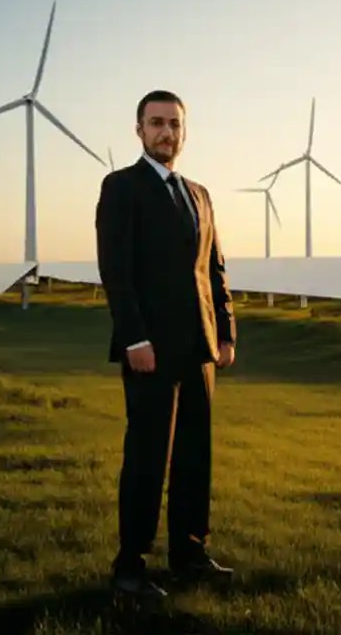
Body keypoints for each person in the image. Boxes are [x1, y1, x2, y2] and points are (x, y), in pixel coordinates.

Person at [95, 89, 237, 599]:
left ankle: (190, 554)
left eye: (174, 124)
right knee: (147, 458)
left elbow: (214, 269)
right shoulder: (121, 187)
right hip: (150, 347)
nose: (166, 133)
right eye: (156, 123)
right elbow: (116, 270)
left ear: (185, 131)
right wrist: (134, 336)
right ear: (139, 130)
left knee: (196, 456)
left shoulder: (199, 193)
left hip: (200, 348)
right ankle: (130, 566)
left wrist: (225, 331)